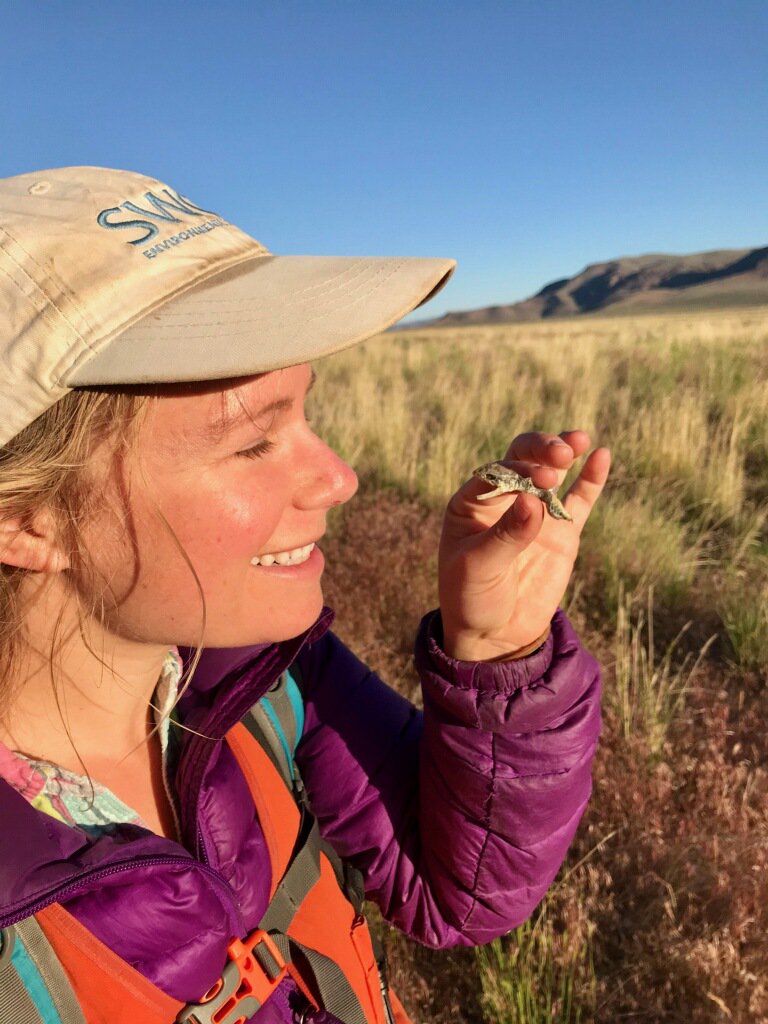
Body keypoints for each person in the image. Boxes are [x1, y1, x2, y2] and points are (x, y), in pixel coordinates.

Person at [0, 166, 610, 1024]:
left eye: (306, 417)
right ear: (28, 519)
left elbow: (460, 892)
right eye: (253, 445)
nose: (339, 478)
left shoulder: (261, 681)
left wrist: (499, 650)